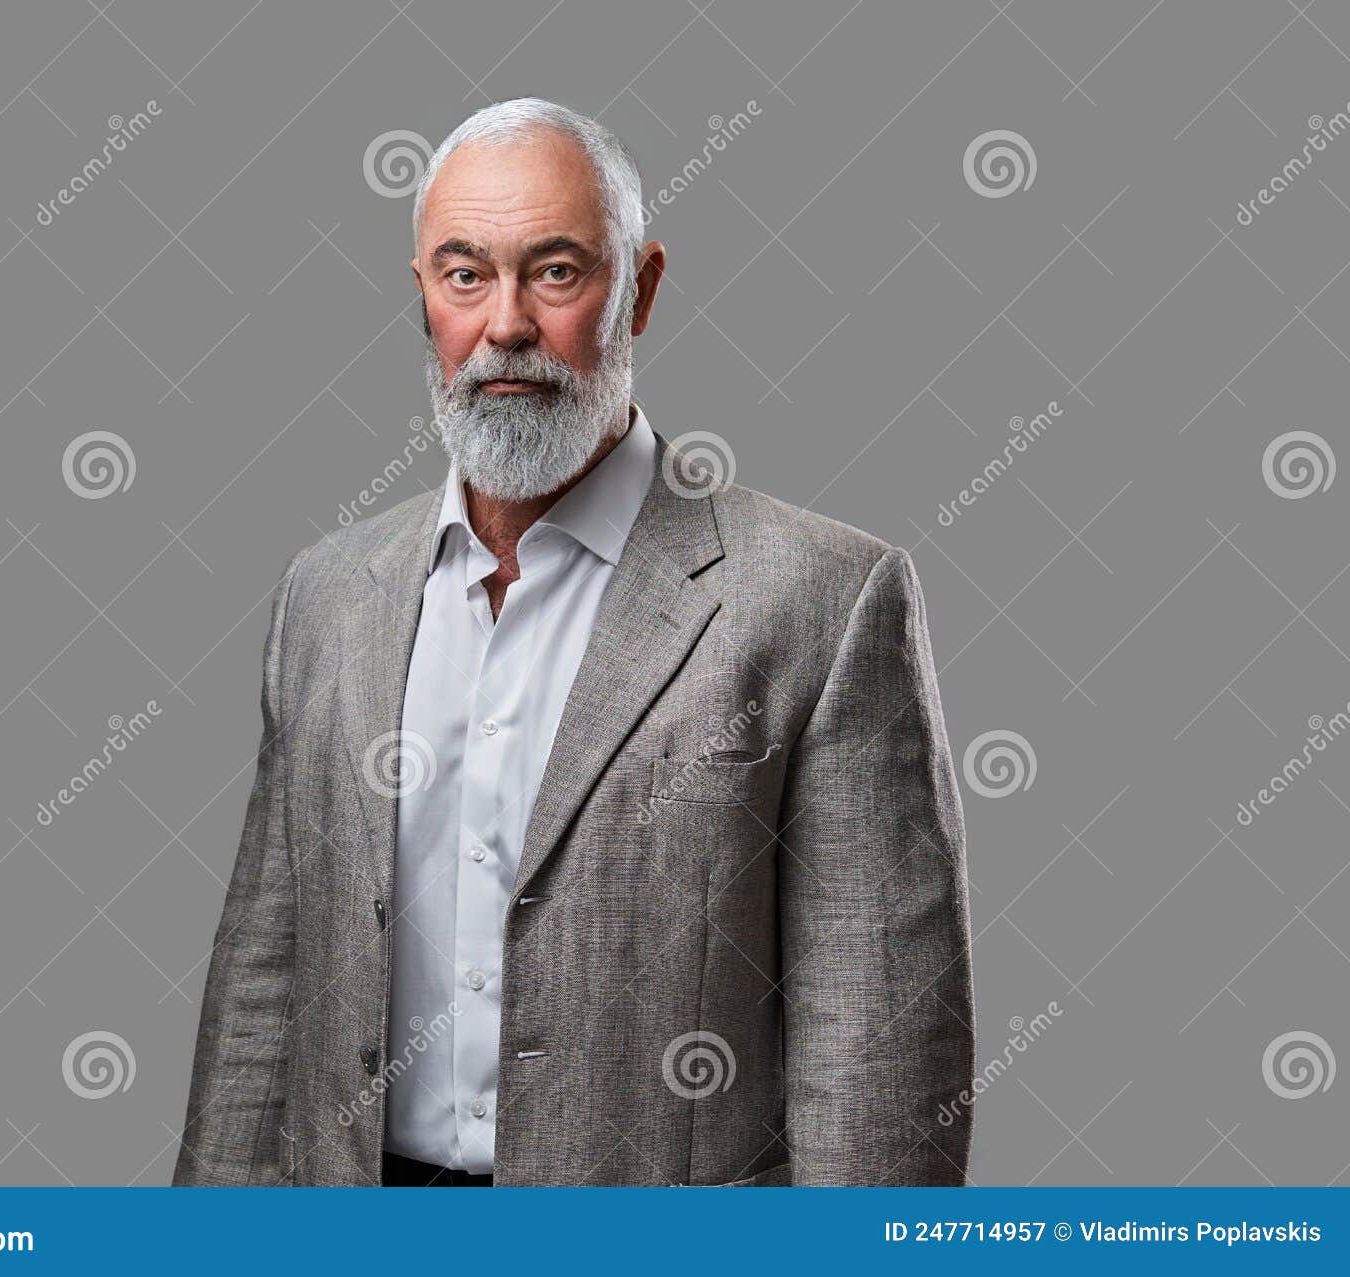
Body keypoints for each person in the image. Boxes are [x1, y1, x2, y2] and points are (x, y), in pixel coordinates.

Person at [174, 97, 973, 1188]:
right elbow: (263, 994)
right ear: (424, 300)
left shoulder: (821, 599)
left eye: (554, 272)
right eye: (464, 275)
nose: (504, 324)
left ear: (638, 290)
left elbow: (878, 1044)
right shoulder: (327, 597)